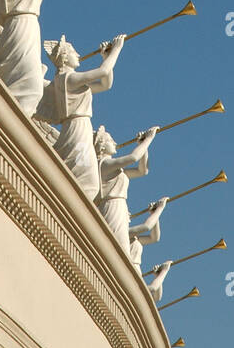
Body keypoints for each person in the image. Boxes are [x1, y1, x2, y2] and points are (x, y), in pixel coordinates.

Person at [36, 34, 126, 199]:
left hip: (80, 128)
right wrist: (117, 49)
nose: (77, 54)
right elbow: (103, 71)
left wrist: (106, 56)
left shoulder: (64, 80)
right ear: (64, 57)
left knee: (86, 180)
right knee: (87, 181)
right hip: (78, 130)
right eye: (72, 51)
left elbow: (105, 84)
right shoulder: (69, 78)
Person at [94, 126, 158, 254]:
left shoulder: (117, 170)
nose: (115, 143)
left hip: (119, 207)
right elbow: (133, 158)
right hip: (112, 207)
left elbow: (142, 171)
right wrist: (149, 139)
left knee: (122, 251)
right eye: (110, 140)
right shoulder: (104, 165)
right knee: (119, 250)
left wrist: (143, 145)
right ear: (101, 146)